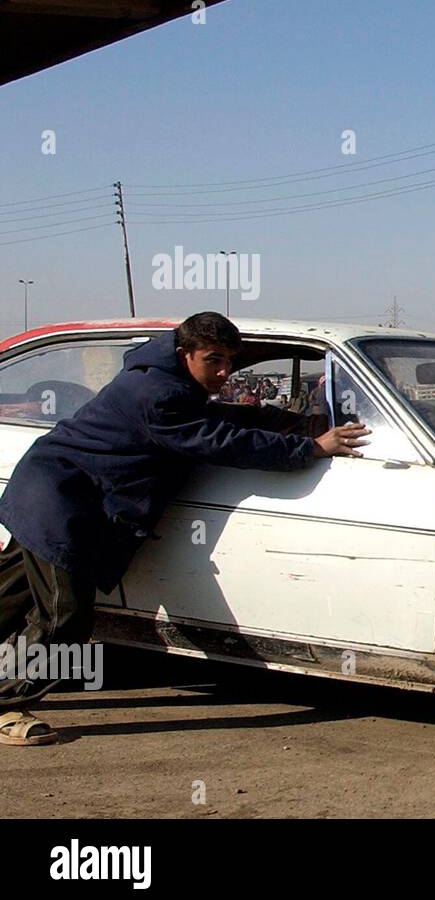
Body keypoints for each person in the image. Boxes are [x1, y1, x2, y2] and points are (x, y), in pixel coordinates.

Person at [0, 312, 369, 745]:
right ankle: (6, 705)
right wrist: (308, 447)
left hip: (49, 490)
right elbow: (216, 440)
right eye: (214, 360)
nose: (224, 372)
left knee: (8, 593)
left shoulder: (166, 380)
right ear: (185, 354)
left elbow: (214, 417)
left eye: (230, 361)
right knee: (65, 617)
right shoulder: (157, 392)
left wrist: (274, 419)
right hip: (60, 508)